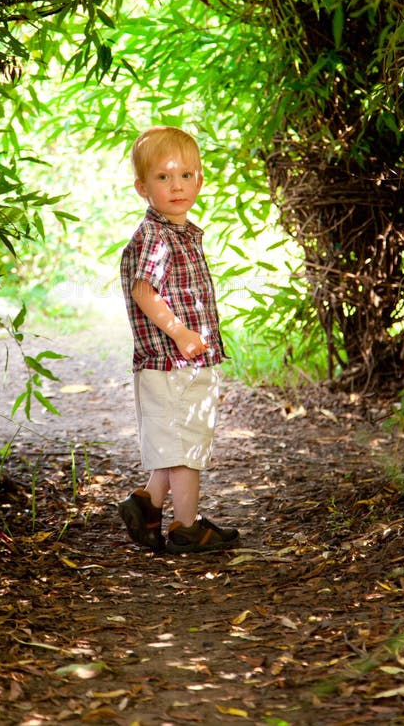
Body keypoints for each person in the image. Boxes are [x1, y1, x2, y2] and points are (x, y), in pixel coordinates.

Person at [118, 126, 239, 554]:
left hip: (184, 361)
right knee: (185, 447)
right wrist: (180, 332)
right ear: (142, 187)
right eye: (164, 177)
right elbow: (143, 290)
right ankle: (186, 526)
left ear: (200, 181)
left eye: (186, 175)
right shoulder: (155, 235)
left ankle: (146, 504)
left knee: (179, 442)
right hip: (170, 361)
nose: (177, 186)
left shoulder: (183, 232)